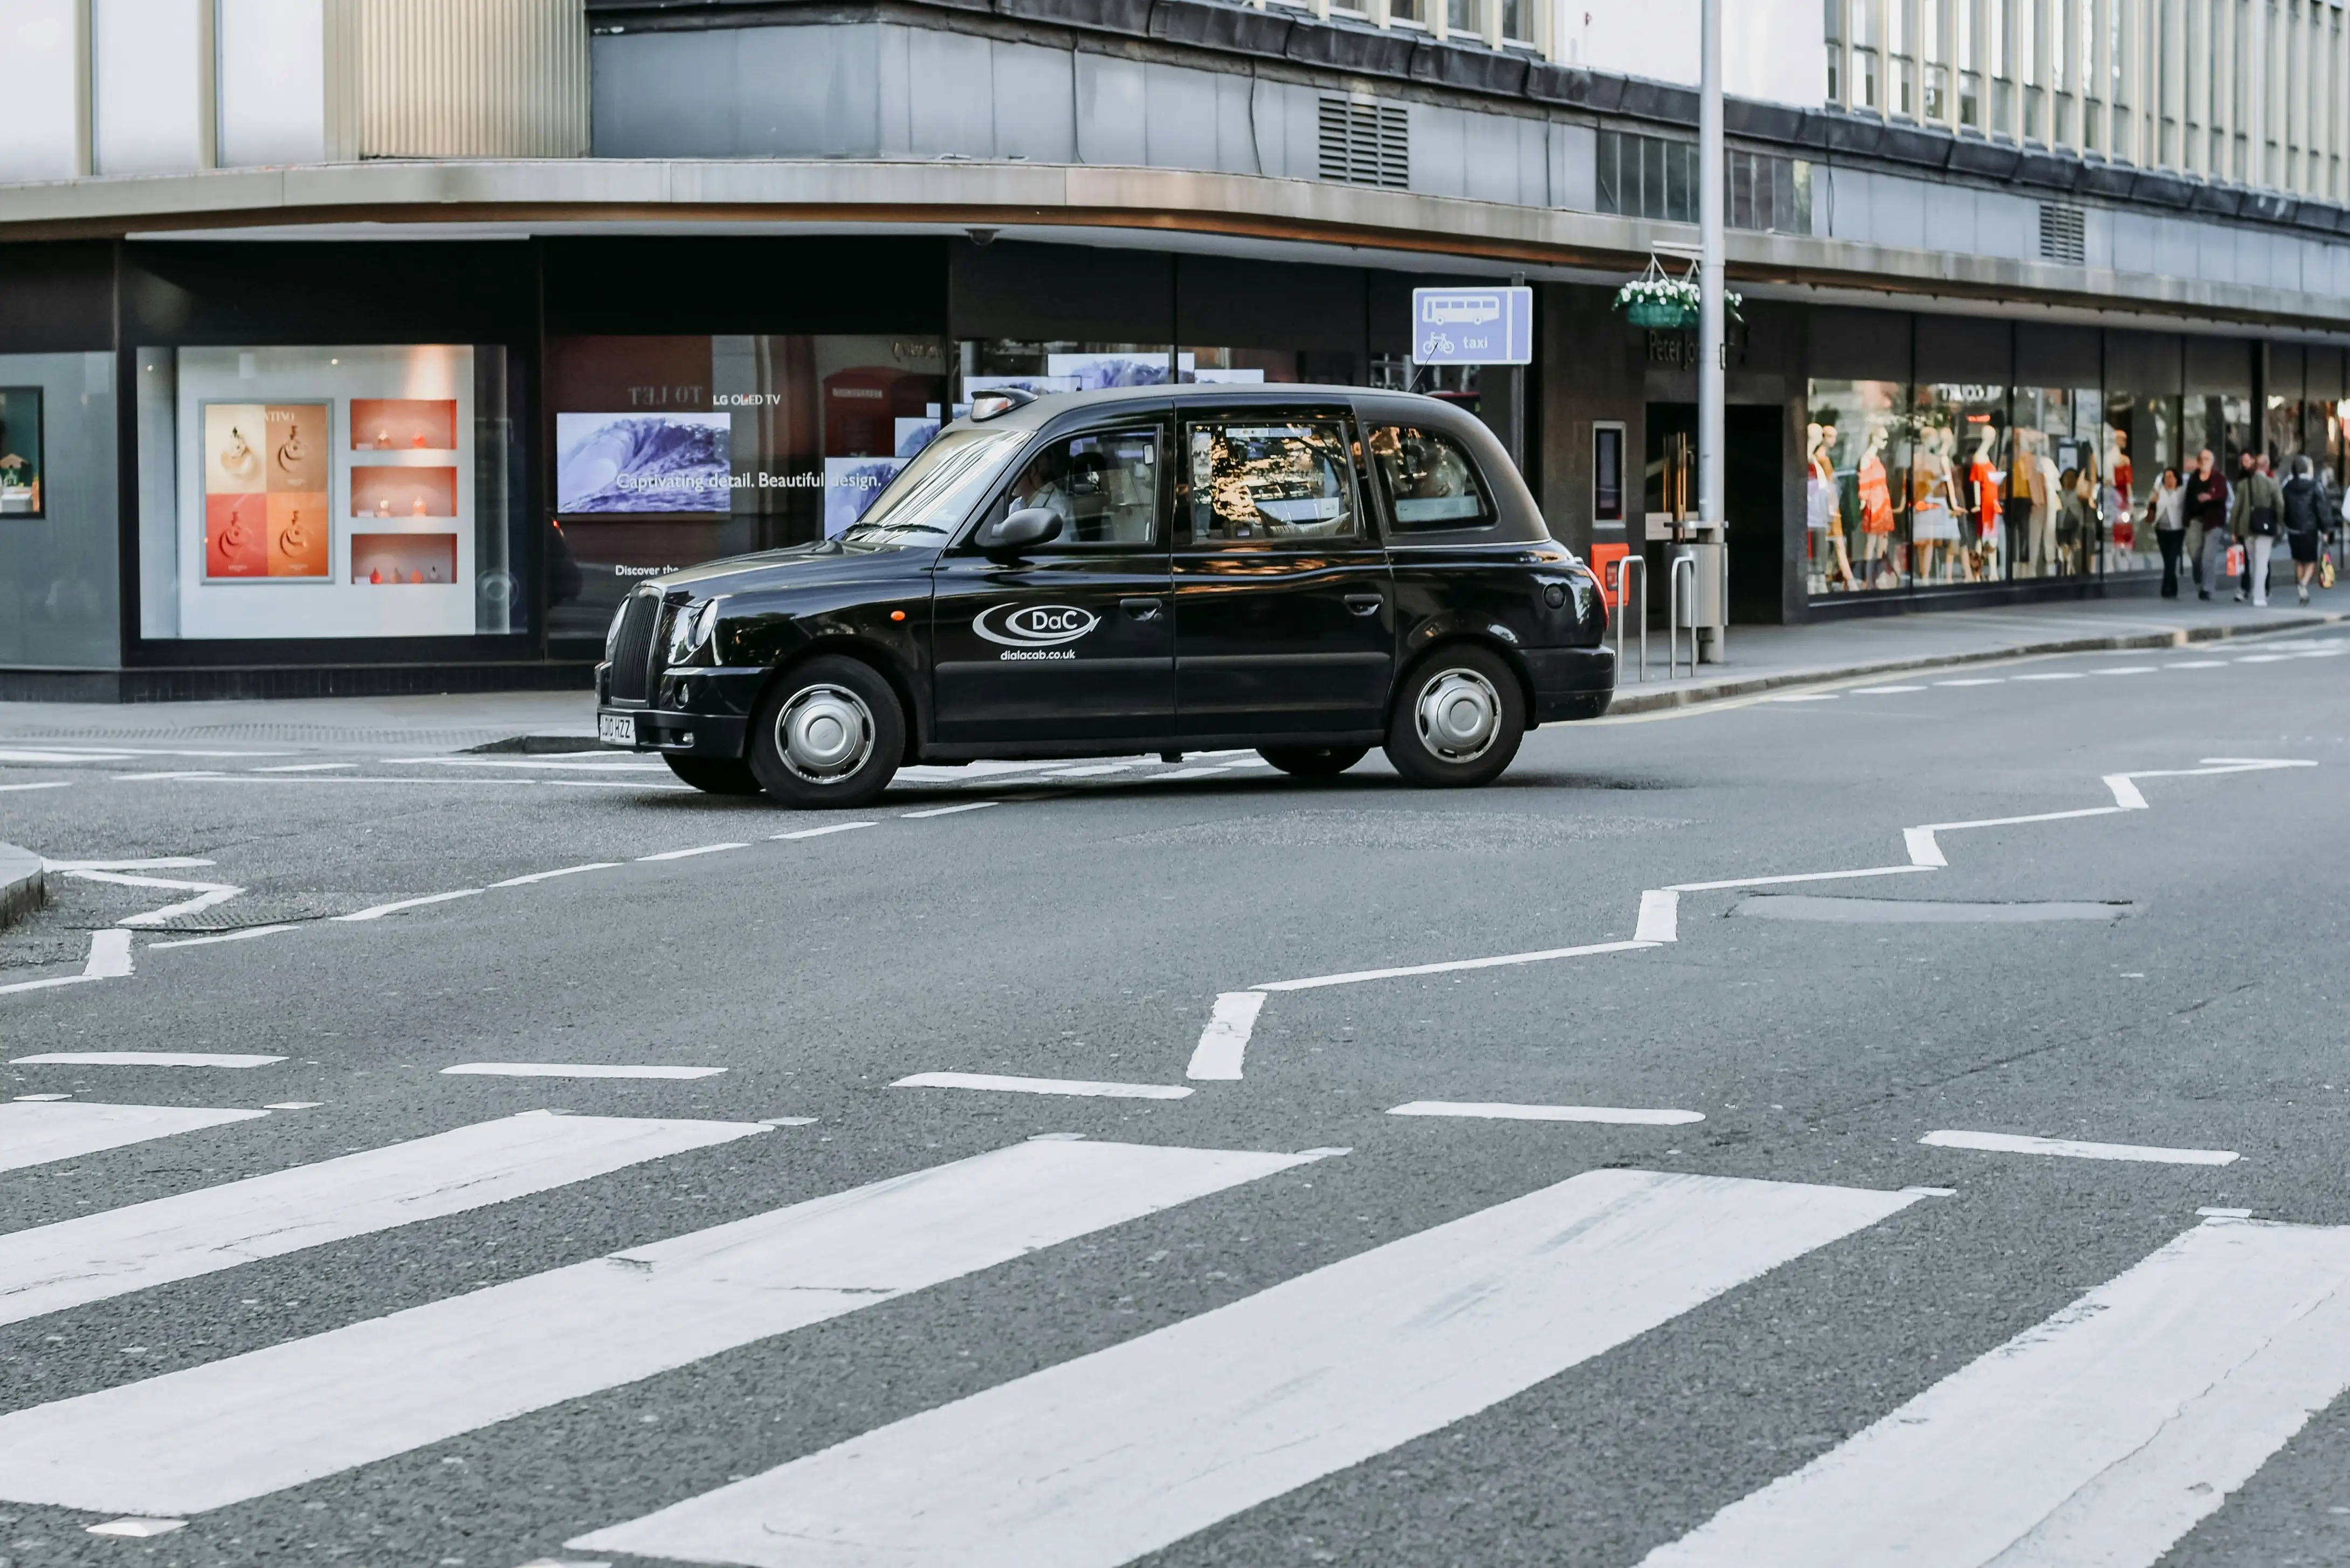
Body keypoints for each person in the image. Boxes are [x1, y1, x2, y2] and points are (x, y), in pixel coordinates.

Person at [2230, 452, 2282, 605]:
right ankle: (2259, 596)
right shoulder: (2272, 484)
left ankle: (2256, 589)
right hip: (2266, 528)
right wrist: (2280, 523)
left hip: (2247, 528)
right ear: (2266, 466)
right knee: (2262, 561)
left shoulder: (2243, 485)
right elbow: (2280, 505)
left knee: (2253, 561)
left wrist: (2234, 529)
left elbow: (2236, 509)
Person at [2283, 453, 2325, 605]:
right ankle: (2304, 584)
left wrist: (2286, 523)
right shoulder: (2314, 486)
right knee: (2311, 561)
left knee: (2299, 560)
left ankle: (2301, 586)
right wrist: (2325, 529)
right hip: (2310, 529)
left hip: (2293, 529)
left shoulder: (2288, 486)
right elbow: (2321, 509)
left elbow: (2283, 507)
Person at [2189, 449, 2231, 600]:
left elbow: (2222, 496)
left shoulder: (2219, 478)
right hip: (2196, 520)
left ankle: (2207, 588)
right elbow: (2188, 498)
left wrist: (2210, 497)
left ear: (2213, 462)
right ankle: (2200, 579)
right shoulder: (2194, 478)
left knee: (2208, 555)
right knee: (2195, 554)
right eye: (2203, 459)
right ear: (2199, 461)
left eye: (2208, 459)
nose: (2205, 462)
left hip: (2214, 521)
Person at [2151, 466, 2187, 598]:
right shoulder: (2159, 491)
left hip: (2177, 530)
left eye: (2171, 476)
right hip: (2162, 529)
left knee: (2172, 559)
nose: (2168, 479)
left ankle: (2166, 588)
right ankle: (2174, 587)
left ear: (2177, 478)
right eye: (2166, 477)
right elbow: (2153, 507)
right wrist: (2152, 501)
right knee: (2168, 560)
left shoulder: (2182, 491)